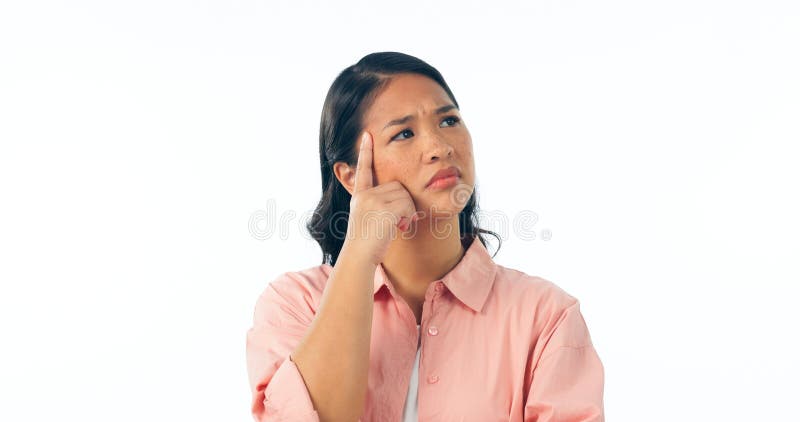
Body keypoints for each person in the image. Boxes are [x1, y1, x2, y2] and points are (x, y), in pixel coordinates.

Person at [246, 51, 604, 421]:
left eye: (449, 120)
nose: (440, 147)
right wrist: (357, 255)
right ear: (350, 176)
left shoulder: (546, 316)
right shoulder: (294, 305)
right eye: (404, 133)